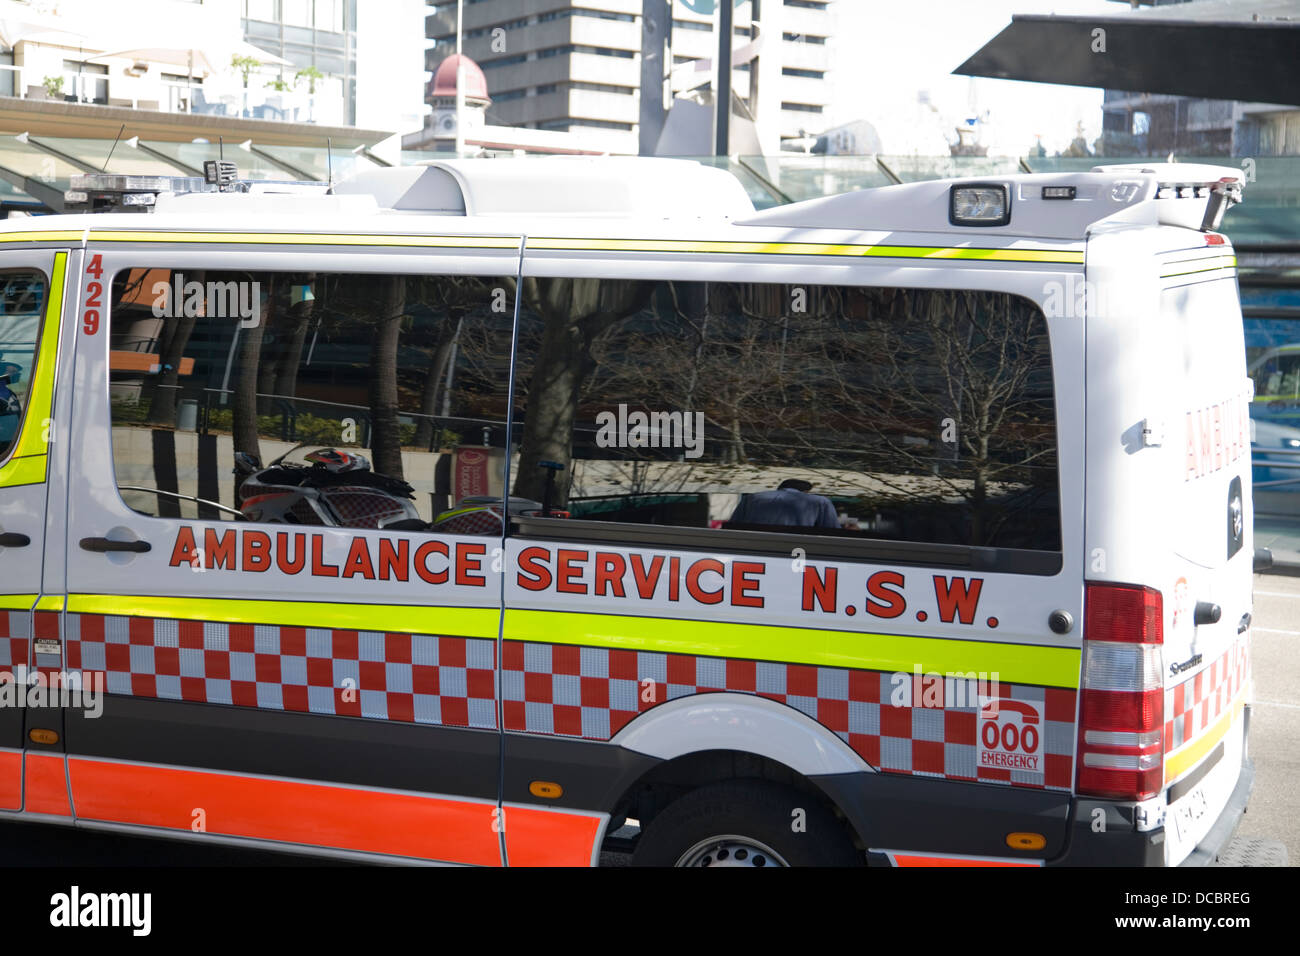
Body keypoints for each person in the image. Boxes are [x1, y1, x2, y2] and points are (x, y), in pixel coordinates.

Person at [729, 478, 840, 529]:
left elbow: (733, 527)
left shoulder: (751, 498)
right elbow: (832, 532)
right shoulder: (819, 502)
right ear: (806, 491)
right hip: (798, 550)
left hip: (754, 547)